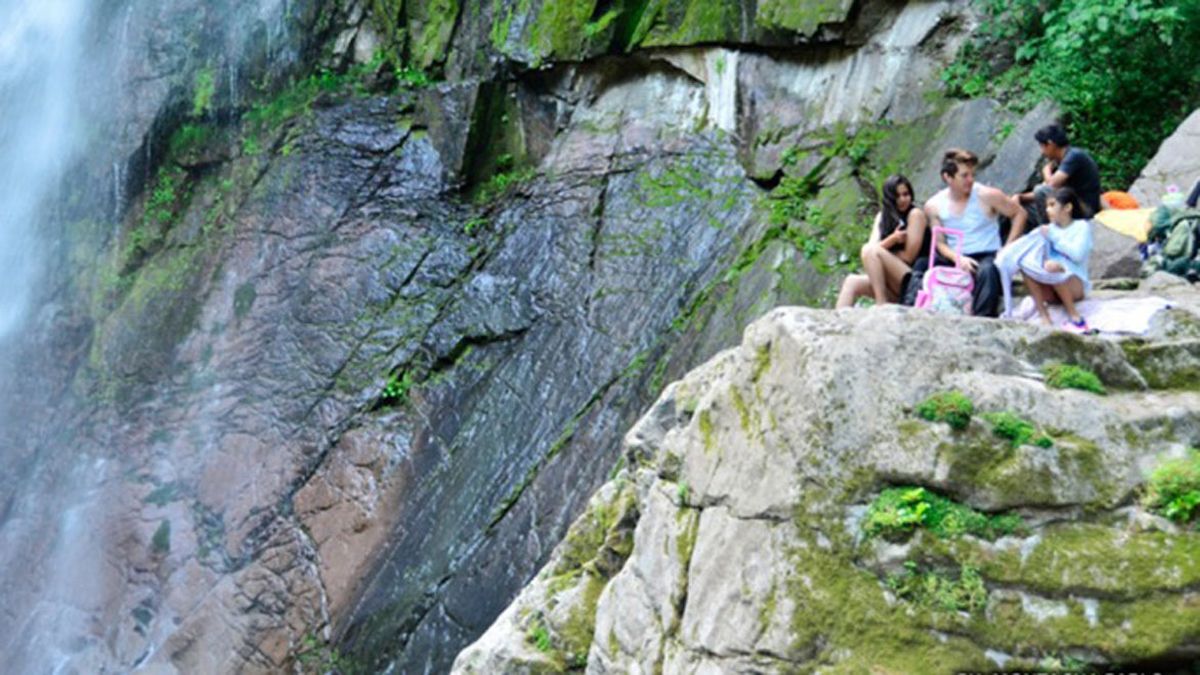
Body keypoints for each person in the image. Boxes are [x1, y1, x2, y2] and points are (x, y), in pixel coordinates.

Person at [924, 148, 1027, 317]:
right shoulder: (933, 205)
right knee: (923, 267)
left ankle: (981, 320)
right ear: (947, 177)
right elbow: (939, 242)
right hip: (956, 255)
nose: (970, 180)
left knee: (986, 271)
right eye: (964, 176)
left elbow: (1019, 214)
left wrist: (1007, 248)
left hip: (987, 254)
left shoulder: (987, 195)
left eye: (972, 175)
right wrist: (958, 258)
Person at [836, 175, 929, 308]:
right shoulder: (882, 217)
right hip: (891, 283)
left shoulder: (915, 215)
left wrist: (882, 257)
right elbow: (870, 251)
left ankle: (881, 304)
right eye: (897, 196)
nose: (903, 199)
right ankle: (838, 323)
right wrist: (893, 239)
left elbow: (909, 257)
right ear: (890, 198)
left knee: (871, 251)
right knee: (851, 281)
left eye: (906, 194)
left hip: (913, 281)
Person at [1020, 186, 1094, 332]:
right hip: (1050, 285)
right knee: (1026, 265)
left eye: (1052, 205)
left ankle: (1075, 316)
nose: (1048, 210)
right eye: (1047, 206)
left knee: (1054, 269)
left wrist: (1054, 238)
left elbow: (1077, 255)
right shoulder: (1048, 229)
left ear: (1067, 207)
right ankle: (1044, 316)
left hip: (1074, 284)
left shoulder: (1081, 227)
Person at [1016, 124, 1102, 225]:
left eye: (1042, 147)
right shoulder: (1059, 161)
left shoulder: (1074, 157)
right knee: (1025, 209)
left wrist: (1046, 170)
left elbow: (1050, 186)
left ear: (1050, 144)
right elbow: (1046, 189)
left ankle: (1050, 230)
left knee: (1040, 190)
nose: (1042, 152)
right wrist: (1020, 197)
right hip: (1068, 205)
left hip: (1084, 209)